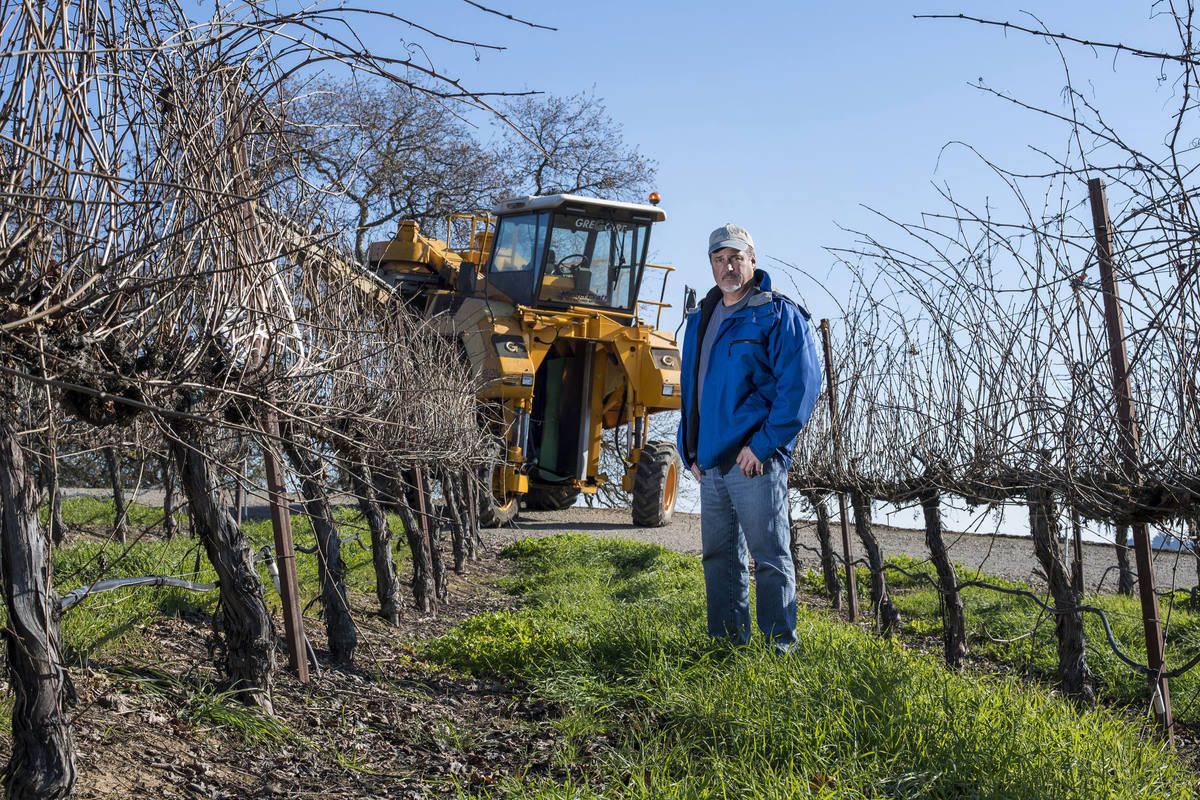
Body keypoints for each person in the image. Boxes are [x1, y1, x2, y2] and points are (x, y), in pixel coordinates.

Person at [676, 223, 822, 651]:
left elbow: (801, 386)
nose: (728, 267)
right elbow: (693, 389)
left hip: (754, 459)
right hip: (711, 463)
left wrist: (762, 445)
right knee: (719, 559)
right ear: (711, 265)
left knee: (770, 557)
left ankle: (780, 650)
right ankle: (726, 646)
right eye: (719, 259)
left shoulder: (777, 314)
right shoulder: (700, 318)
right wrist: (689, 448)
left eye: (736, 258)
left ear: (752, 261)